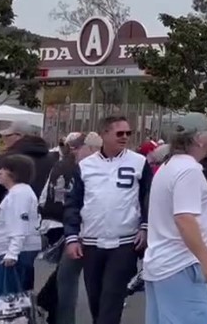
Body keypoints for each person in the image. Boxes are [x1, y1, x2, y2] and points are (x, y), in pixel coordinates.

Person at [64, 116, 153, 324]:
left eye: (128, 133)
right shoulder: (86, 166)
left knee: (112, 299)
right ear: (104, 134)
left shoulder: (139, 162)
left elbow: (149, 198)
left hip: (124, 242)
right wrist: (71, 236)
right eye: (119, 133)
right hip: (92, 242)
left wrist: (145, 226)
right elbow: (73, 203)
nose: (125, 137)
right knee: (96, 300)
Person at [143, 114, 207, 324]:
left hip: (162, 264)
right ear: (199, 139)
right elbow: (184, 218)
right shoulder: (189, 170)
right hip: (182, 265)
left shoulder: (169, 167)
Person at [35, 131, 101, 324]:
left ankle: (49, 307)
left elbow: (47, 192)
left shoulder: (63, 164)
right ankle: (53, 310)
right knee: (68, 276)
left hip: (60, 223)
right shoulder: (80, 168)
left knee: (66, 274)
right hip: (71, 225)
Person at [0, 154, 42, 300]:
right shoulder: (18, 193)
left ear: (14, 173)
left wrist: (12, 253)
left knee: (5, 298)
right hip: (12, 250)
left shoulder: (19, 194)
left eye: (4, 169)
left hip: (12, 253)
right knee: (10, 296)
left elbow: (19, 224)